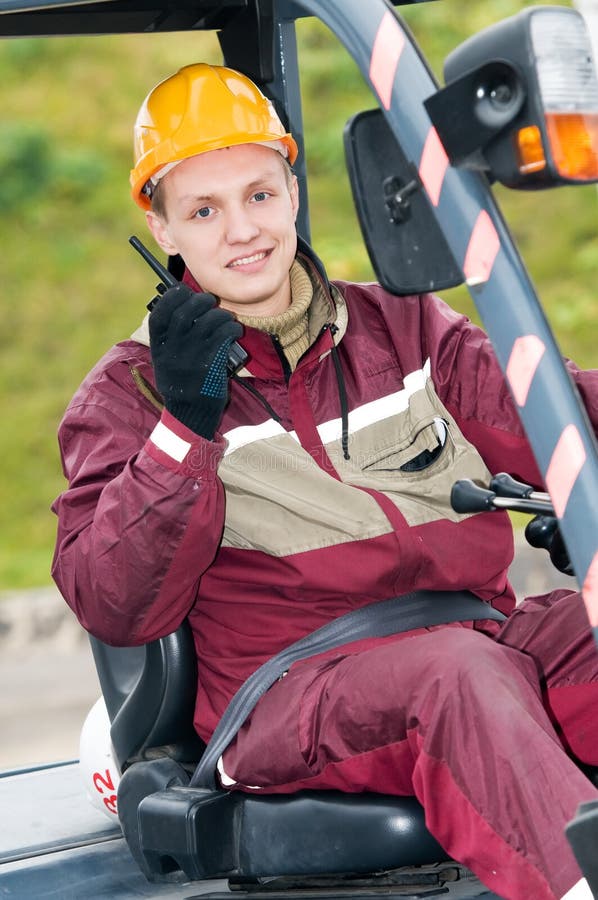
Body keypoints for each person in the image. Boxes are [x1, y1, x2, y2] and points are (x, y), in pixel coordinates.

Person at [52, 63, 598, 900]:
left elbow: (549, 410)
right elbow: (116, 602)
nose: (243, 231)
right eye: (205, 210)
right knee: (456, 673)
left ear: (293, 191)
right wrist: (184, 428)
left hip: (479, 638)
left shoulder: (404, 325)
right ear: (161, 226)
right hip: (292, 693)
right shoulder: (128, 395)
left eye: (260, 195)